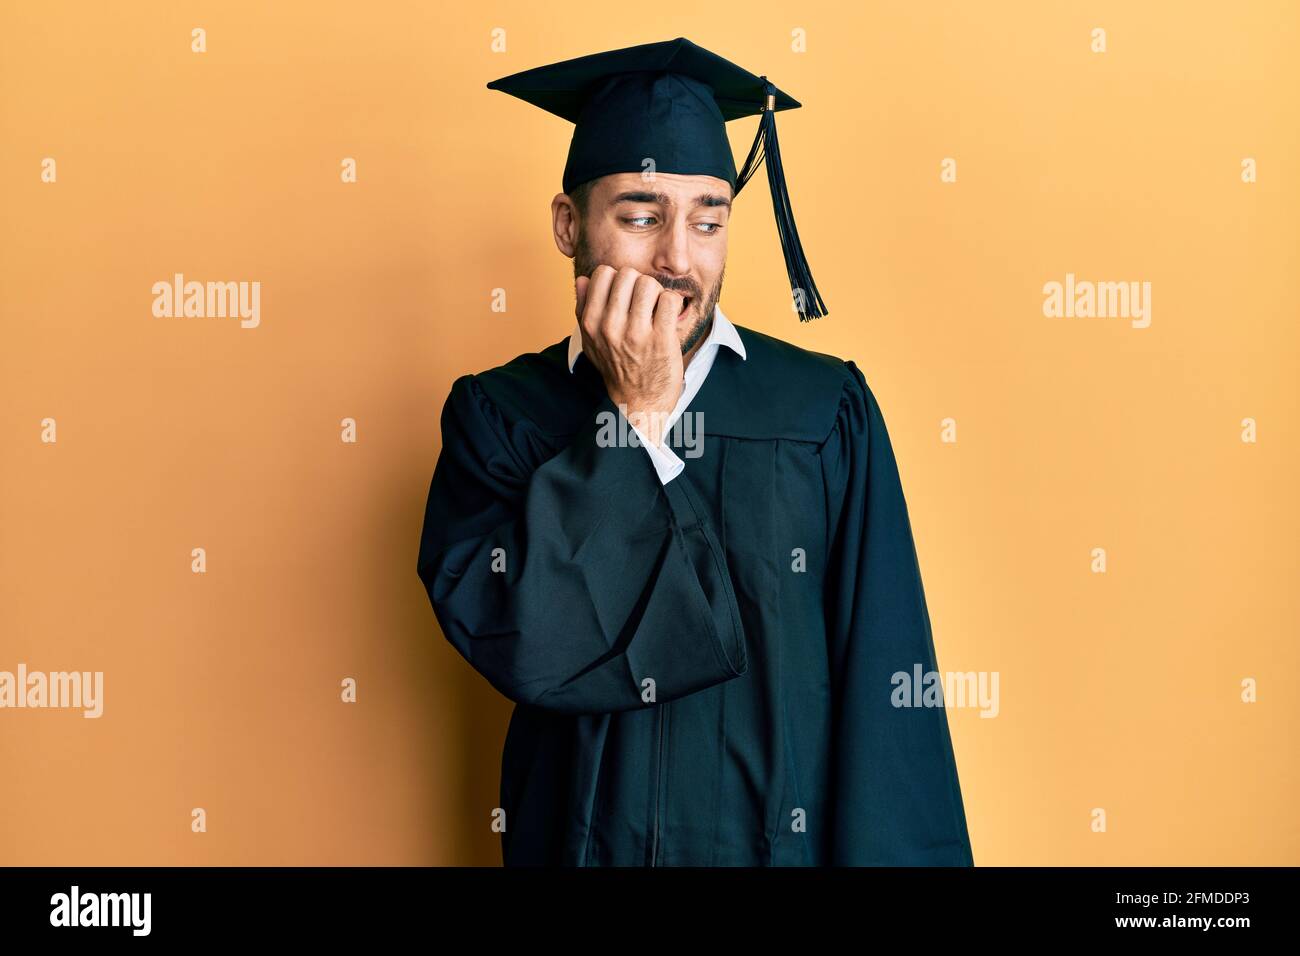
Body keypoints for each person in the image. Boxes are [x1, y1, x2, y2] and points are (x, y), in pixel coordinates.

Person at [417, 37, 974, 866]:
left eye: (708, 218)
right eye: (641, 216)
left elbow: (884, 689)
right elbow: (526, 642)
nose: (679, 257)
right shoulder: (500, 415)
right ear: (570, 226)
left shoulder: (822, 411)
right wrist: (635, 414)